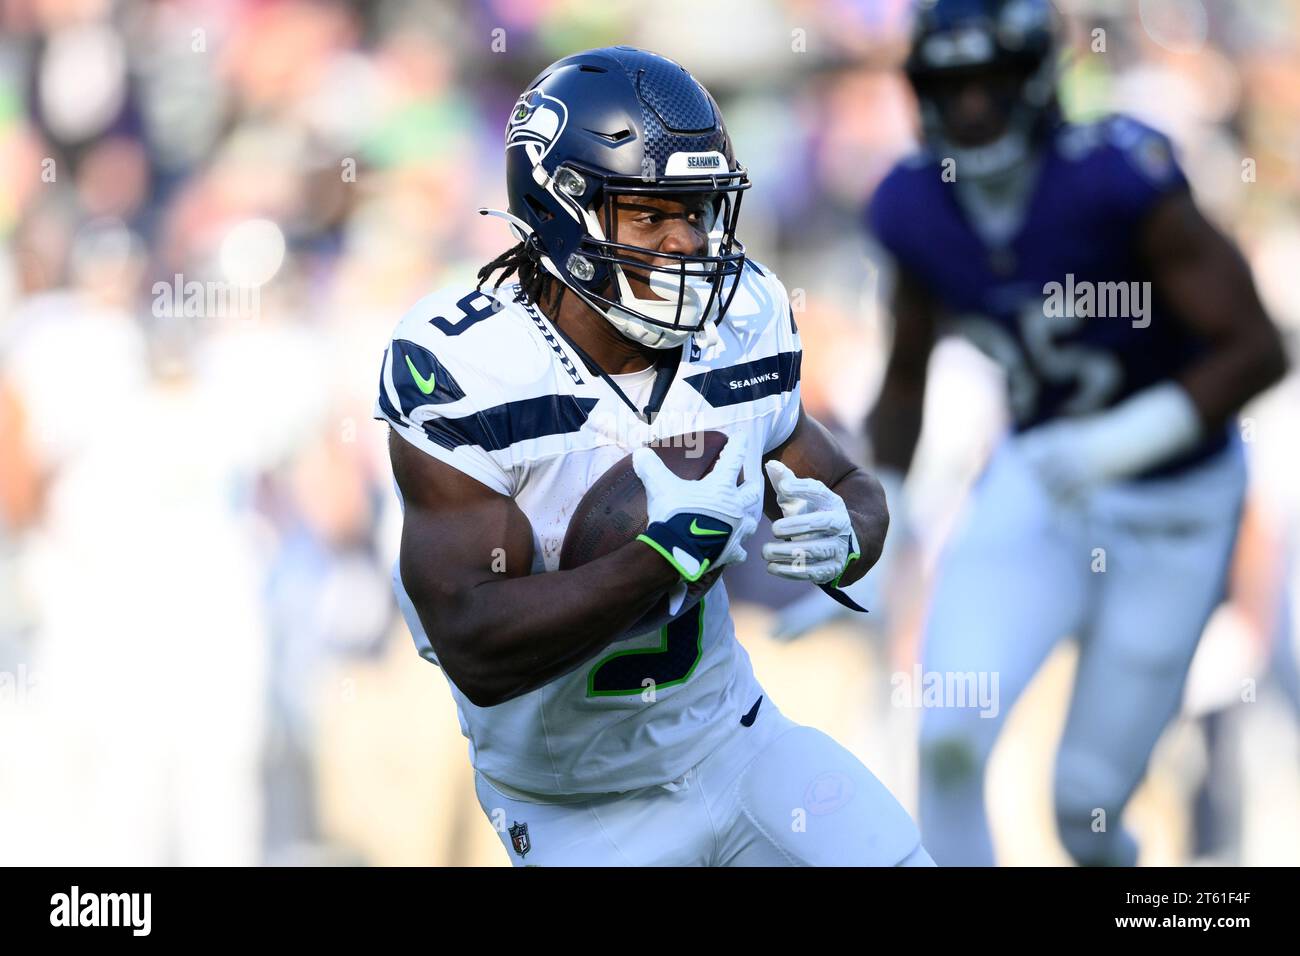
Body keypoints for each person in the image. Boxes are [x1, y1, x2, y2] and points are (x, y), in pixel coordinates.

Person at [373, 47, 931, 867]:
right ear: (563, 211)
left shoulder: (741, 316)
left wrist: (846, 532)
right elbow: (475, 643)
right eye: (650, 214)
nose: (686, 244)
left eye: (698, 212)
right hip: (573, 805)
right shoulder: (468, 366)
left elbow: (845, 482)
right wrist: (662, 557)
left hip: (735, 745)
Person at [860, 0, 1287, 865]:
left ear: (1037, 81)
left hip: (1174, 502)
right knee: (943, 740)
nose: (972, 108)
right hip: (1041, 481)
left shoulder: (1114, 177)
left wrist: (1123, 441)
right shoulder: (913, 204)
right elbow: (904, 373)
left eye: (991, 83)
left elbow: (1258, 349)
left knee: (1085, 808)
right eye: (952, 86)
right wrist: (888, 505)